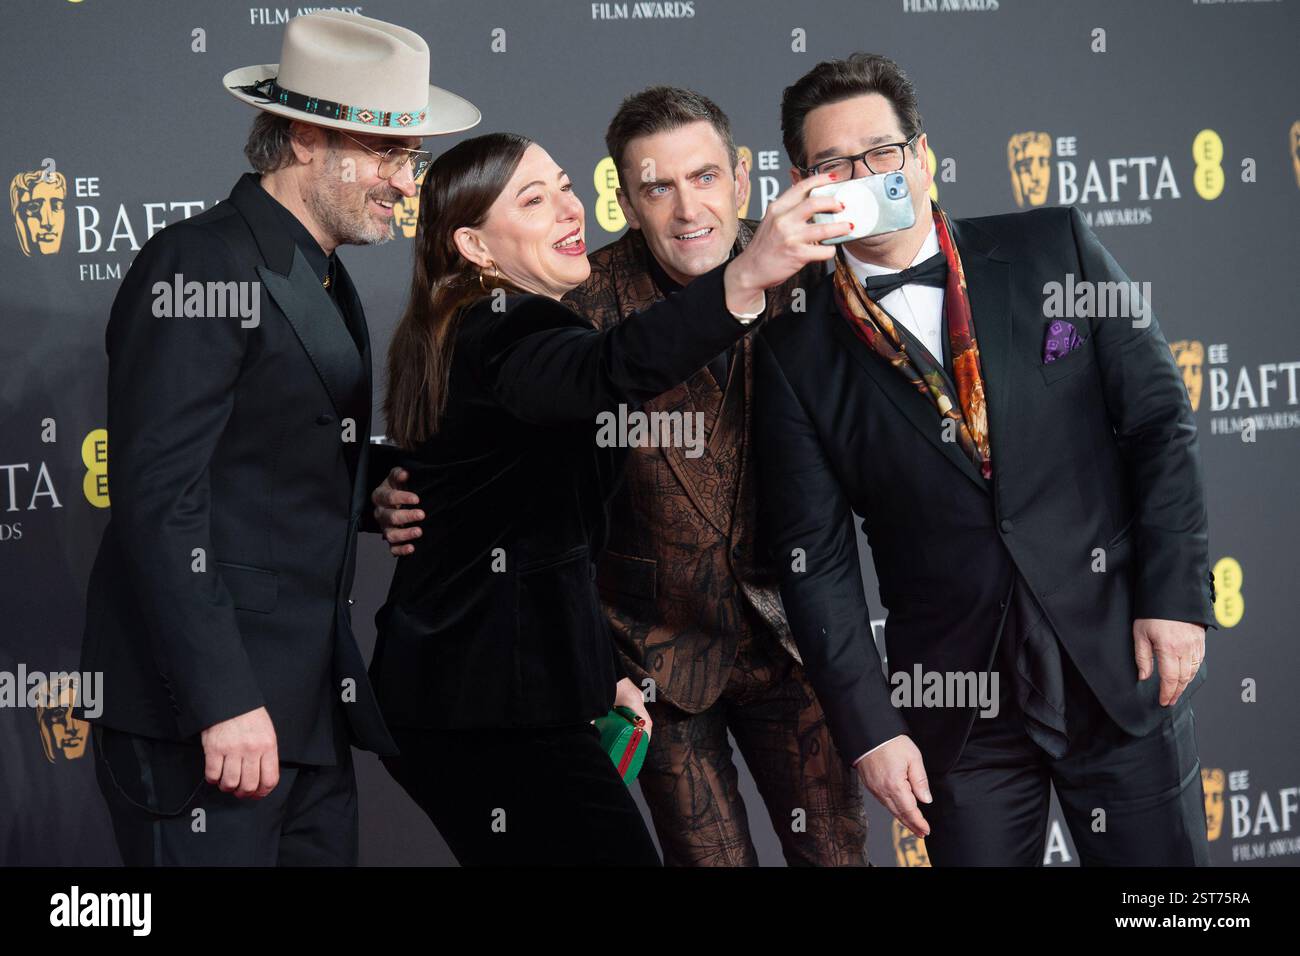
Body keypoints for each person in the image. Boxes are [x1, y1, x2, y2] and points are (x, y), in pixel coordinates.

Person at [380, 86, 867, 866]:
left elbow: (471, 467)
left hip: (755, 650)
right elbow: (604, 370)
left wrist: (384, 486)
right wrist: (746, 279)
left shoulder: (476, 324)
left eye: (563, 188)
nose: (568, 210)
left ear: (742, 178)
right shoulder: (544, 316)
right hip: (575, 685)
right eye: (534, 200)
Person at [753, 53, 1215, 866]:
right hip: (956, 714)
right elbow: (815, 562)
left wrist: (1176, 597)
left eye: (882, 153)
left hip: (1116, 664)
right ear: (802, 183)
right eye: (833, 164)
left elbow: (1158, 423)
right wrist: (870, 729)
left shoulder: (1053, 249)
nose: (864, 176)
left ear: (922, 155)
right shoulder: (794, 352)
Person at [78, 11, 479, 866]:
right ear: (303, 138)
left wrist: (366, 485)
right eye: (384, 153)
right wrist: (220, 700)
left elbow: (267, 445)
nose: (406, 183)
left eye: (409, 157)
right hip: (206, 716)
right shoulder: (201, 264)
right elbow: (159, 496)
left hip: (305, 709)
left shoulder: (315, 269)